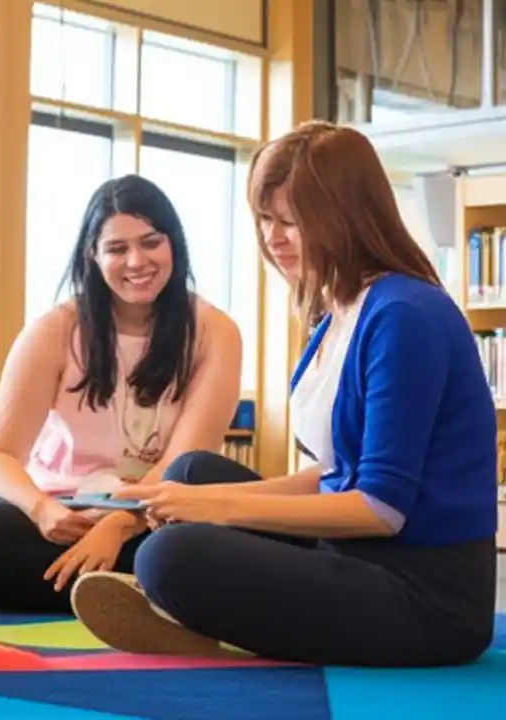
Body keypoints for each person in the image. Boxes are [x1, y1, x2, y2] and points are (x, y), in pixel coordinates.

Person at [72, 122, 499, 669]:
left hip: (425, 596)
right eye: (266, 220)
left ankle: (189, 605)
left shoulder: (404, 316)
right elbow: (335, 471)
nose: (274, 238)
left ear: (345, 216)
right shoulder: (340, 312)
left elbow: (381, 509)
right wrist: (192, 500)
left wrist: (215, 510)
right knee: (190, 473)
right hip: (358, 559)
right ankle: (193, 608)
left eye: (292, 222)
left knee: (173, 551)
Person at [0, 174, 243, 612]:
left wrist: (119, 523)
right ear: (93, 256)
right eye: (117, 248)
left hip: (158, 515)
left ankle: (93, 591)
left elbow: (186, 463)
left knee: (197, 552)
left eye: (151, 242)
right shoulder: (54, 330)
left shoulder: (216, 332)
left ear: (174, 243)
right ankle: (132, 596)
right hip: (66, 512)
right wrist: (42, 511)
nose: (137, 260)